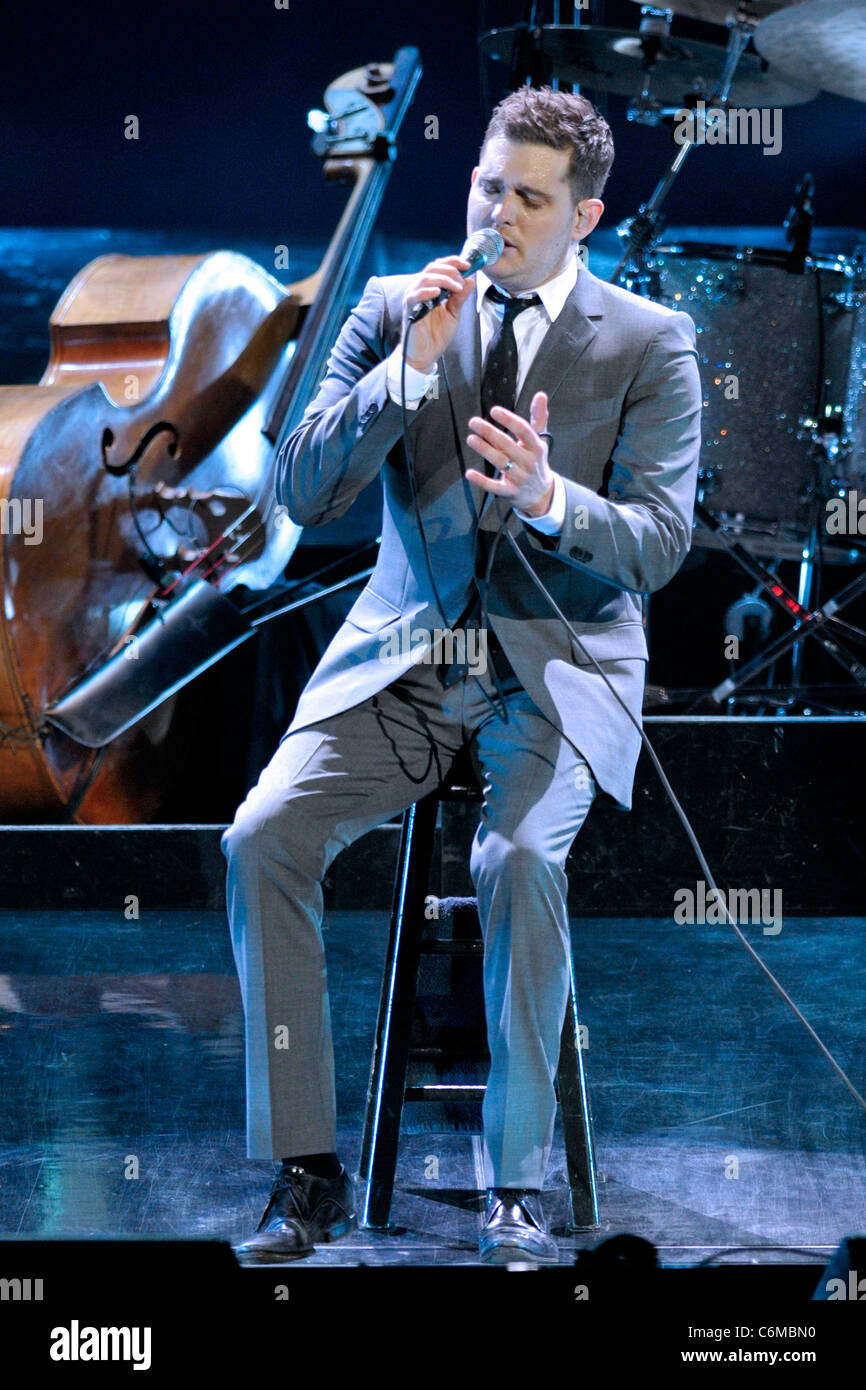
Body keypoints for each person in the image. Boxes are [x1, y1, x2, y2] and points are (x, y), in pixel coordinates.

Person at [222, 85, 702, 1265]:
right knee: (261, 834)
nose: (498, 212)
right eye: (488, 184)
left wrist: (547, 496)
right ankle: (305, 1171)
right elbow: (296, 491)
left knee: (522, 858)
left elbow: (657, 542)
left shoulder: (649, 341)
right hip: (400, 661)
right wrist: (397, 381)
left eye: (528, 198)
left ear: (584, 216)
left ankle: (516, 1181)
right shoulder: (394, 307)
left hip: (553, 668)